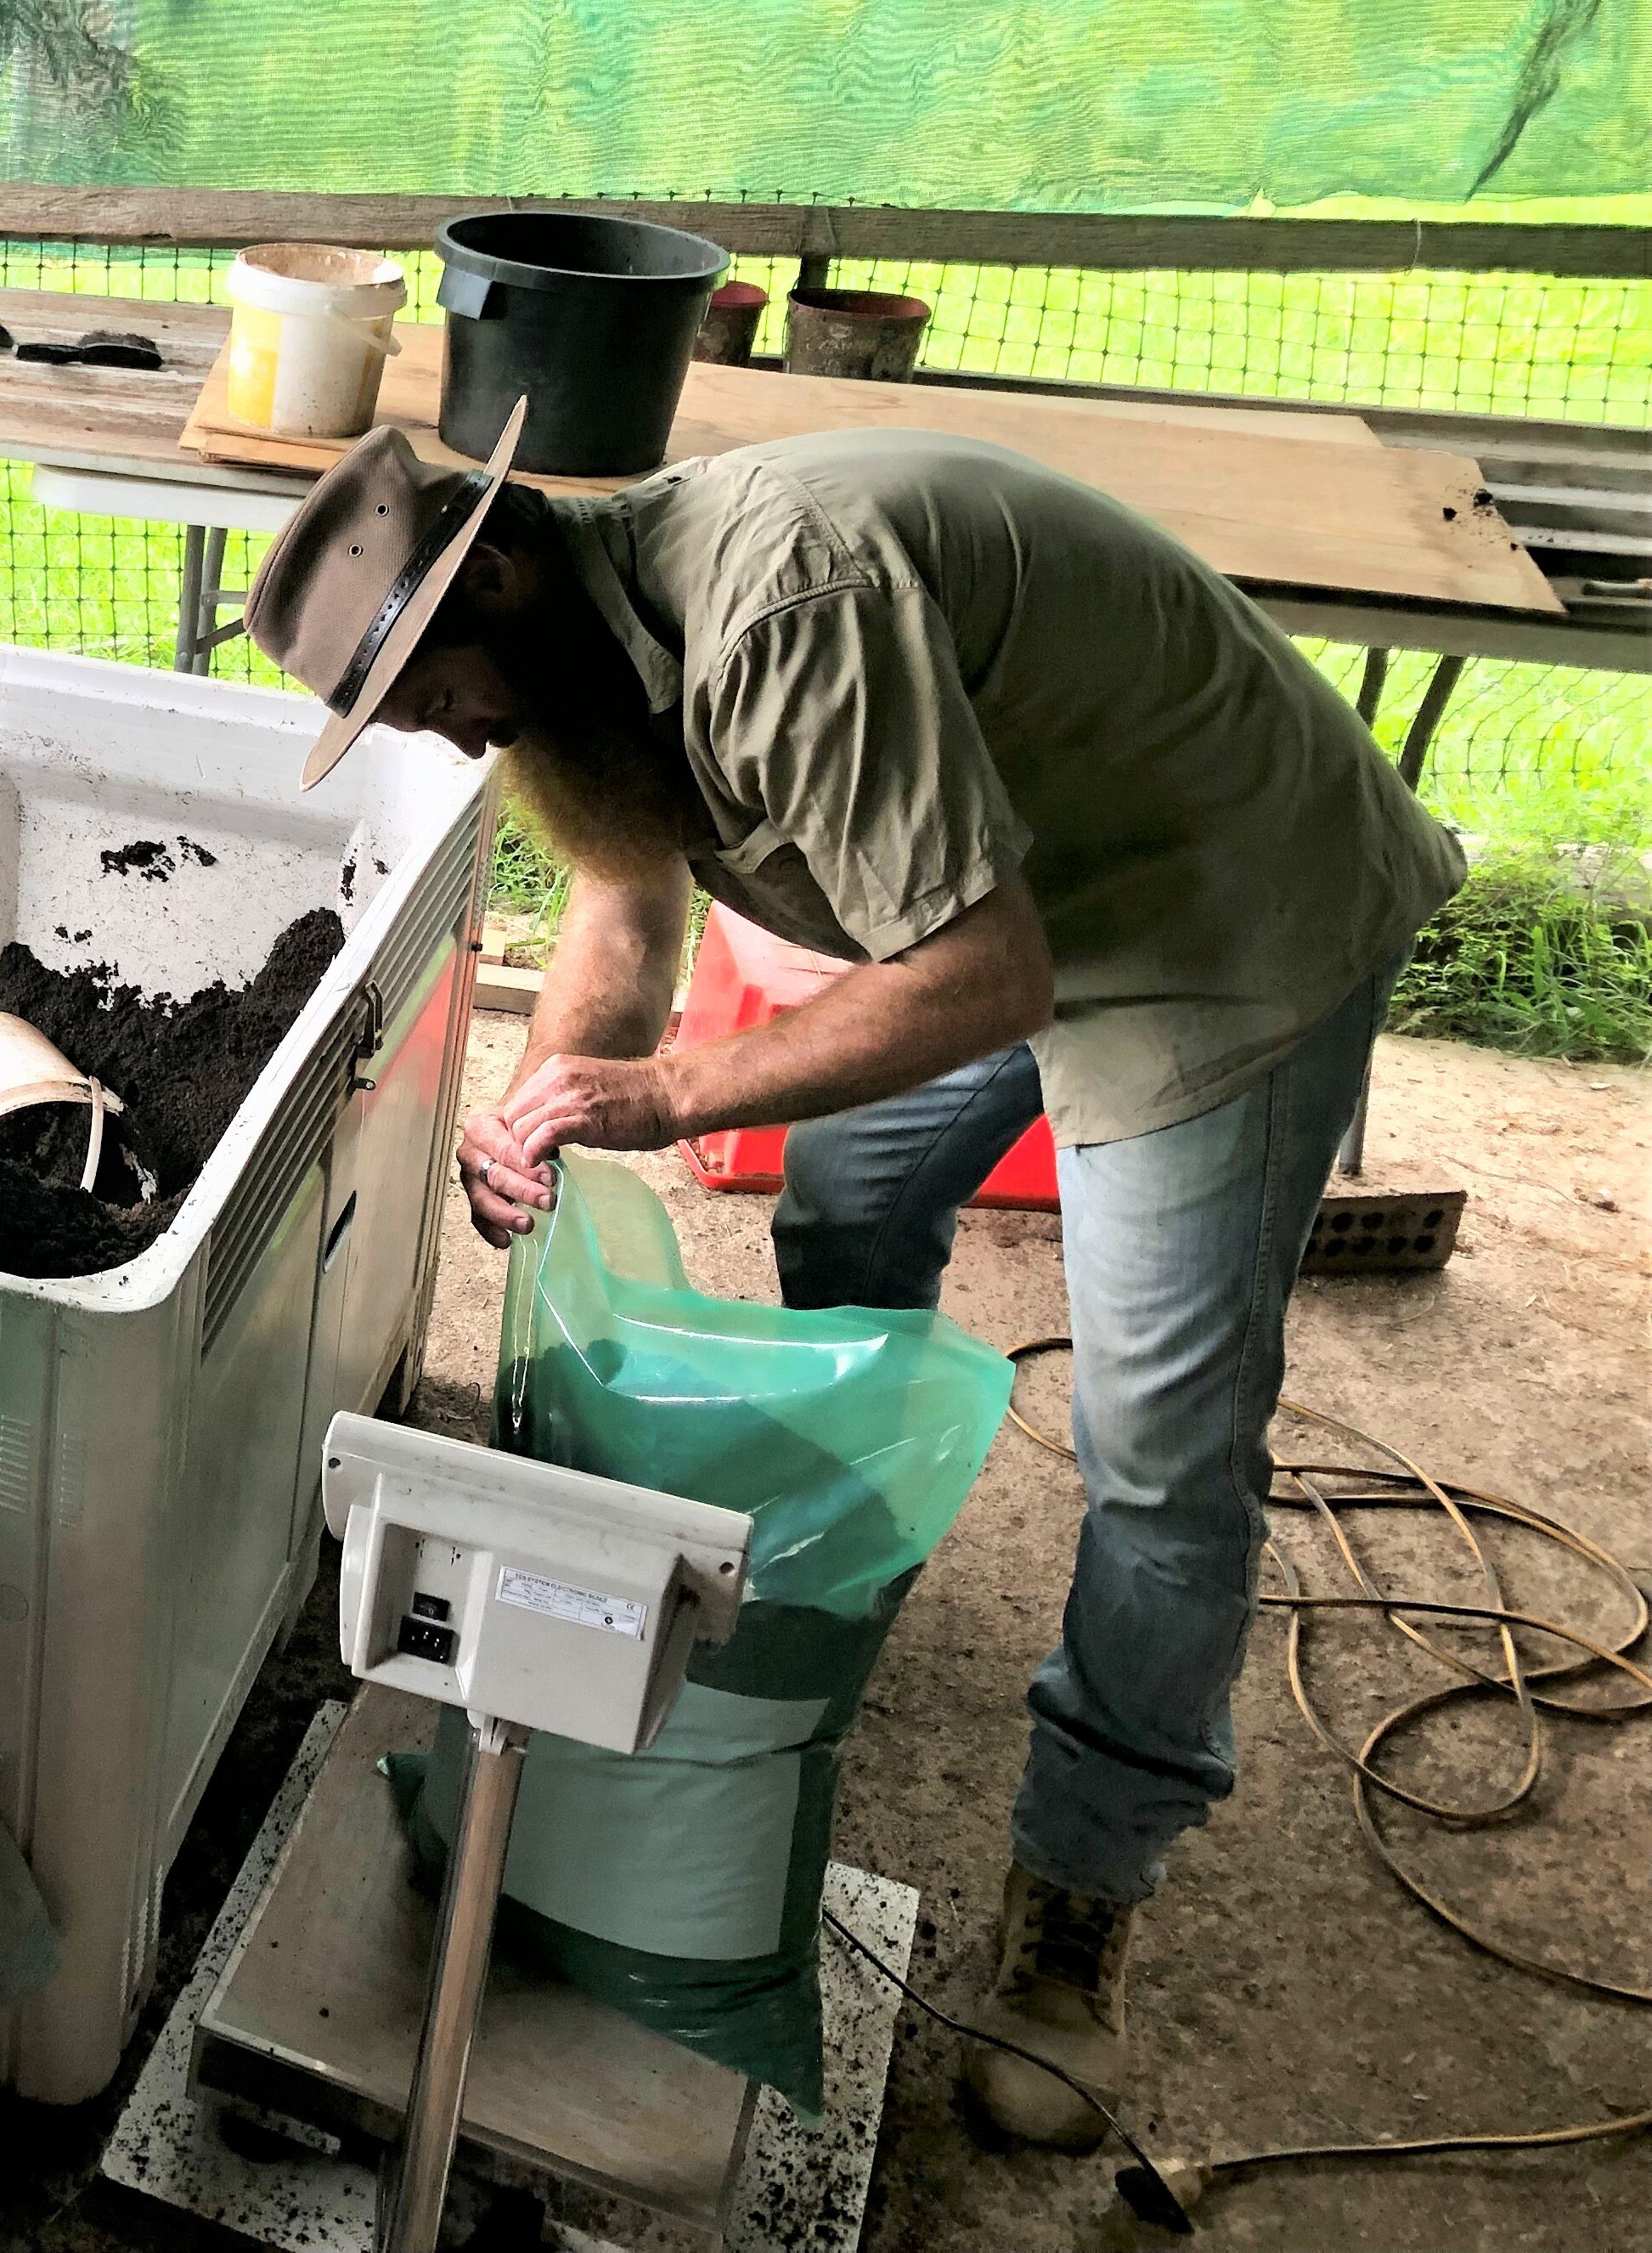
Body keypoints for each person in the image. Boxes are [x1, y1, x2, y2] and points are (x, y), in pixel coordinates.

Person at [241, 418, 1458, 2149]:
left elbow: (979, 977)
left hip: (1215, 921)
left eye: (434, 695)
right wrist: (550, 1104)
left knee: (1162, 1451)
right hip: (1021, 891)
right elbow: (624, 896)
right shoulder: (579, 665)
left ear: (495, 569)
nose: (452, 736)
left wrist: (663, 1098)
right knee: (847, 1197)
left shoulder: (778, 615)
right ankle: (843, 1552)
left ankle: (1080, 1904)